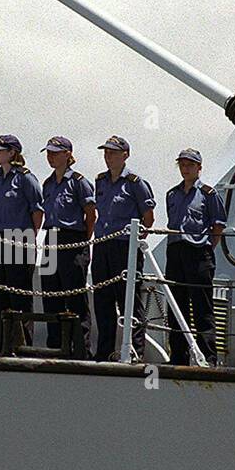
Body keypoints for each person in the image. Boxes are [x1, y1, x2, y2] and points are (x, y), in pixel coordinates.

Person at [91, 136, 155, 361]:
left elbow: (148, 218)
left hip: (124, 247)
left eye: (113, 153)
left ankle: (135, 349)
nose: (108, 157)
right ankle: (105, 350)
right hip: (102, 245)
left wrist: (134, 238)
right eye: (106, 153)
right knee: (103, 300)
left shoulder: (135, 183)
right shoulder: (100, 181)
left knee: (128, 300)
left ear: (125, 155)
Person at [164, 148, 226, 366]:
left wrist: (207, 247)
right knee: (176, 305)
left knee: (202, 307)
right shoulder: (172, 194)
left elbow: (218, 225)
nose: (185, 168)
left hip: (198, 252)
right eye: (182, 164)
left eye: (190, 164)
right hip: (176, 251)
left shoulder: (209, 195)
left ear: (199, 167)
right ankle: (178, 356)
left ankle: (208, 357)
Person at [0, 134, 43, 355]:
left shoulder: (26, 178)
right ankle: (0, 346)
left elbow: (37, 211)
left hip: (19, 240)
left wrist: (29, 238)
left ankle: (22, 345)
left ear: (11, 153)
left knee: (19, 296)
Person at [40, 136, 95, 358]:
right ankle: (55, 346)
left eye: (55, 152)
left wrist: (83, 240)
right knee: (50, 294)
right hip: (50, 238)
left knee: (74, 296)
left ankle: (80, 347)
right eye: (48, 153)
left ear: (67, 154)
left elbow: (91, 214)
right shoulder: (48, 183)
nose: (50, 157)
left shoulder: (79, 182)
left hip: (73, 238)